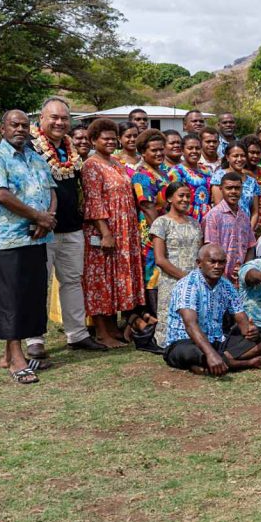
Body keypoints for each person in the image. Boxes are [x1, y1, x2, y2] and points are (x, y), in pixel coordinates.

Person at [0, 110, 57, 384]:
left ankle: (9, 355)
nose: (21, 129)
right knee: (10, 300)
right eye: (15, 125)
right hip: (9, 240)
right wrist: (37, 217)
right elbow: (0, 194)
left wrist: (47, 220)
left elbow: (51, 191)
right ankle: (16, 358)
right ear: (2, 129)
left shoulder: (37, 159)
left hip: (37, 238)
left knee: (30, 298)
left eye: (25, 125)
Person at [27, 98, 104, 354]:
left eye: (64, 118)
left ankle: (77, 334)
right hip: (42, 229)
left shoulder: (71, 148)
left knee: (72, 281)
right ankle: (34, 339)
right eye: (54, 118)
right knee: (38, 283)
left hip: (72, 227)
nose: (59, 123)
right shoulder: (30, 147)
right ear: (41, 119)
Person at [81, 118, 147, 349]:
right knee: (101, 282)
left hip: (124, 231)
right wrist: (105, 232)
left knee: (114, 280)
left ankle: (112, 328)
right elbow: (94, 201)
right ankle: (101, 332)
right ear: (93, 140)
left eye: (112, 138)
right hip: (105, 231)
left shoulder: (116, 163)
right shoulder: (91, 165)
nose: (110, 142)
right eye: (104, 138)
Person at [163, 244, 261, 375]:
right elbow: (190, 325)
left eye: (221, 262)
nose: (217, 266)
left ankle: (214, 362)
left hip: (217, 341)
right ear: (199, 263)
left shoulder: (226, 285)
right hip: (185, 342)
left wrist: (250, 332)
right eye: (212, 262)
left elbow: (240, 316)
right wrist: (210, 353)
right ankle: (242, 362)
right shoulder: (188, 285)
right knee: (193, 353)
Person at [150, 182, 202, 348]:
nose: (185, 199)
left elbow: (199, 254)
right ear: (170, 198)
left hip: (194, 280)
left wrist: (196, 278)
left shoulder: (195, 223)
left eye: (188, 196)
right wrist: (185, 277)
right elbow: (160, 259)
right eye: (181, 195)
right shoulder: (161, 223)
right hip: (171, 280)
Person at [131, 129, 169, 324]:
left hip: (164, 227)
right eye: (154, 150)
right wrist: (160, 235)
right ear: (143, 152)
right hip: (150, 232)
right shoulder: (142, 175)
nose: (159, 153)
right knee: (152, 273)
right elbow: (147, 206)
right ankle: (155, 317)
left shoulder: (162, 172)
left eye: (161, 149)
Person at [203, 172, 256, 283]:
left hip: (240, 279)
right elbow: (211, 250)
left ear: (242, 190)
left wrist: (244, 269)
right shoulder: (213, 216)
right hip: (218, 279)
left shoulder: (244, 217)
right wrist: (222, 277)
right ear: (221, 189)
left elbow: (250, 246)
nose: (233, 191)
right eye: (229, 188)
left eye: (237, 188)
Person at [210, 140, 261, 231]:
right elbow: (219, 206)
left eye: (243, 156)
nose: (239, 159)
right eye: (235, 156)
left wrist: (249, 231)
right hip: (225, 228)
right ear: (227, 157)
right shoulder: (219, 176)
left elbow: (255, 212)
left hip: (246, 230)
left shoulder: (252, 181)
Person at [240, 134, 261, 234]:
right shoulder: (239, 174)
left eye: (258, 153)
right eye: (251, 152)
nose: (255, 156)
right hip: (245, 223)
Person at [174, 132, 212, 222]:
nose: (194, 151)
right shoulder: (176, 172)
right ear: (182, 151)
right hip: (186, 218)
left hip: (207, 217)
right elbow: (175, 200)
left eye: (197, 148)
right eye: (190, 148)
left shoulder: (206, 170)